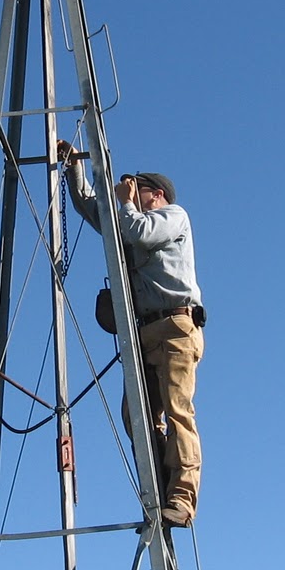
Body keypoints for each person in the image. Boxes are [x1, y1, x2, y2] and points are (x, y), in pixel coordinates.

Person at [58, 140, 205, 527]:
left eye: (137, 189)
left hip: (176, 326)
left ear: (155, 193)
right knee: (136, 416)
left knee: (177, 411)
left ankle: (182, 498)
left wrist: (124, 201)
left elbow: (138, 231)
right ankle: (159, 481)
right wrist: (76, 166)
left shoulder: (173, 215)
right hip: (143, 333)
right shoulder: (127, 218)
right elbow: (93, 209)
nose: (130, 194)